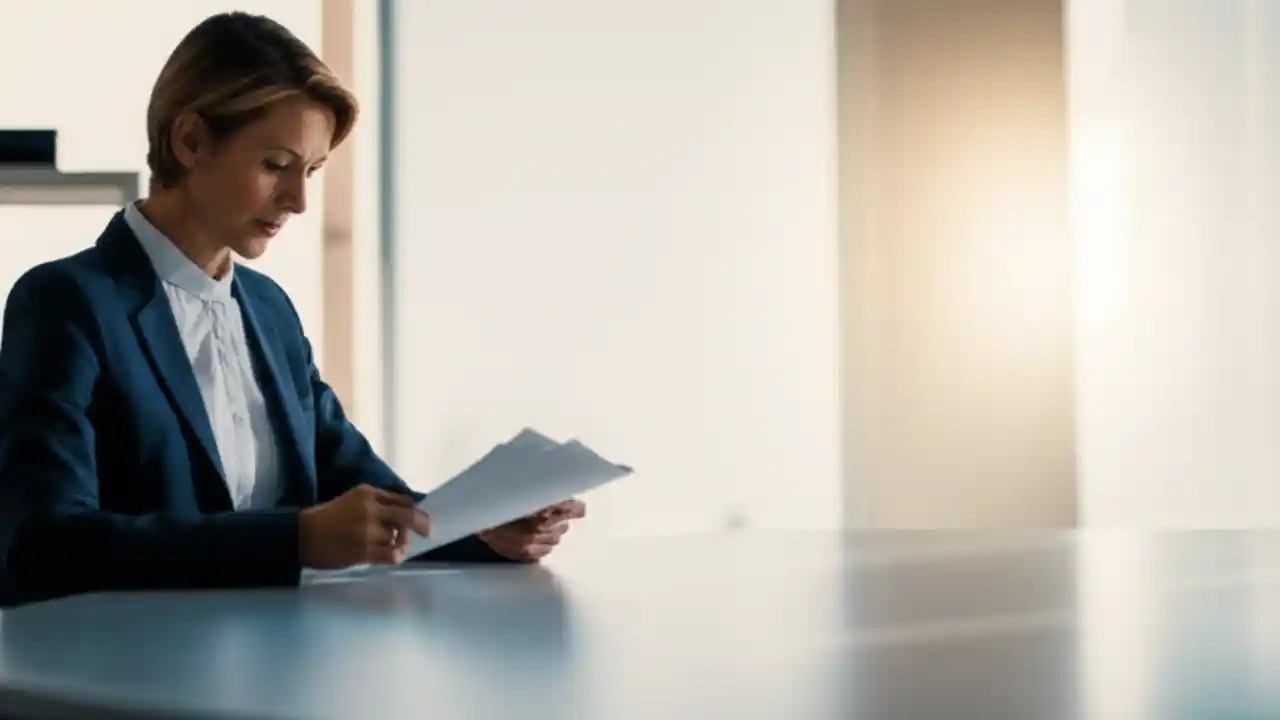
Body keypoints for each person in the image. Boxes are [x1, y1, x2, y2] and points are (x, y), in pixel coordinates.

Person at [0, 12, 584, 604]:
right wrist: (295, 539)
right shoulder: (65, 302)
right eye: (276, 166)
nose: (299, 201)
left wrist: (485, 529)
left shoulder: (268, 309)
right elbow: (43, 544)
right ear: (191, 141)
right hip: (125, 677)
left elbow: (367, 493)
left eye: (311, 171)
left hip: (279, 664)